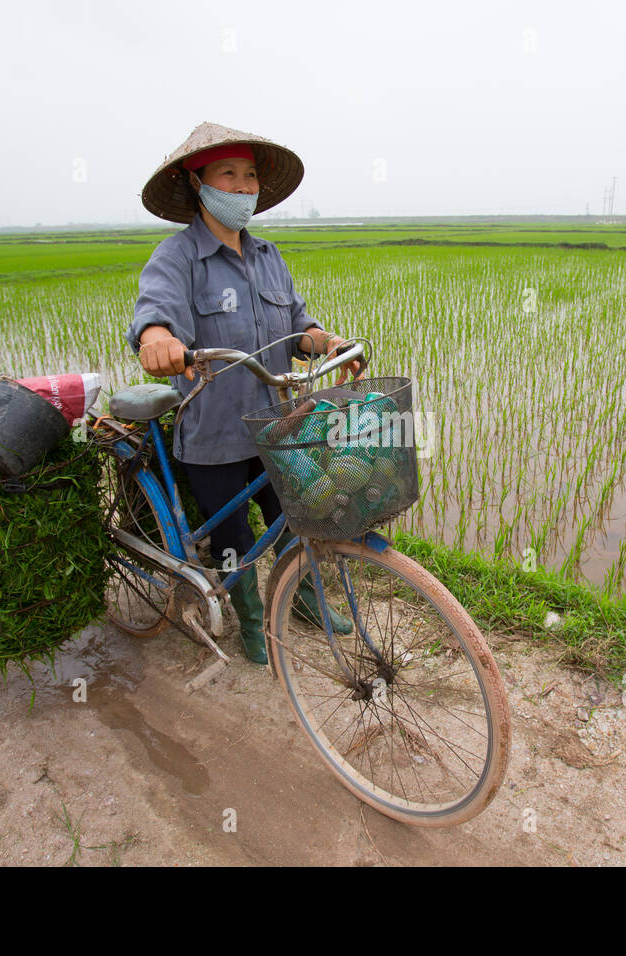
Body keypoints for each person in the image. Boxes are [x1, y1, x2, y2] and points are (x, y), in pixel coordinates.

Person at [126, 121, 360, 665]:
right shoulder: (177, 258)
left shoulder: (269, 256)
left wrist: (325, 342)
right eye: (227, 174)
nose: (242, 186)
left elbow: (298, 323)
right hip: (215, 434)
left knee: (293, 519)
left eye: (250, 176)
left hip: (276, 426)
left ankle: (303, 600)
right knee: (232, 539)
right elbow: (153, 313)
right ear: (198, 183)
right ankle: (253, 622)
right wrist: (157, 338)